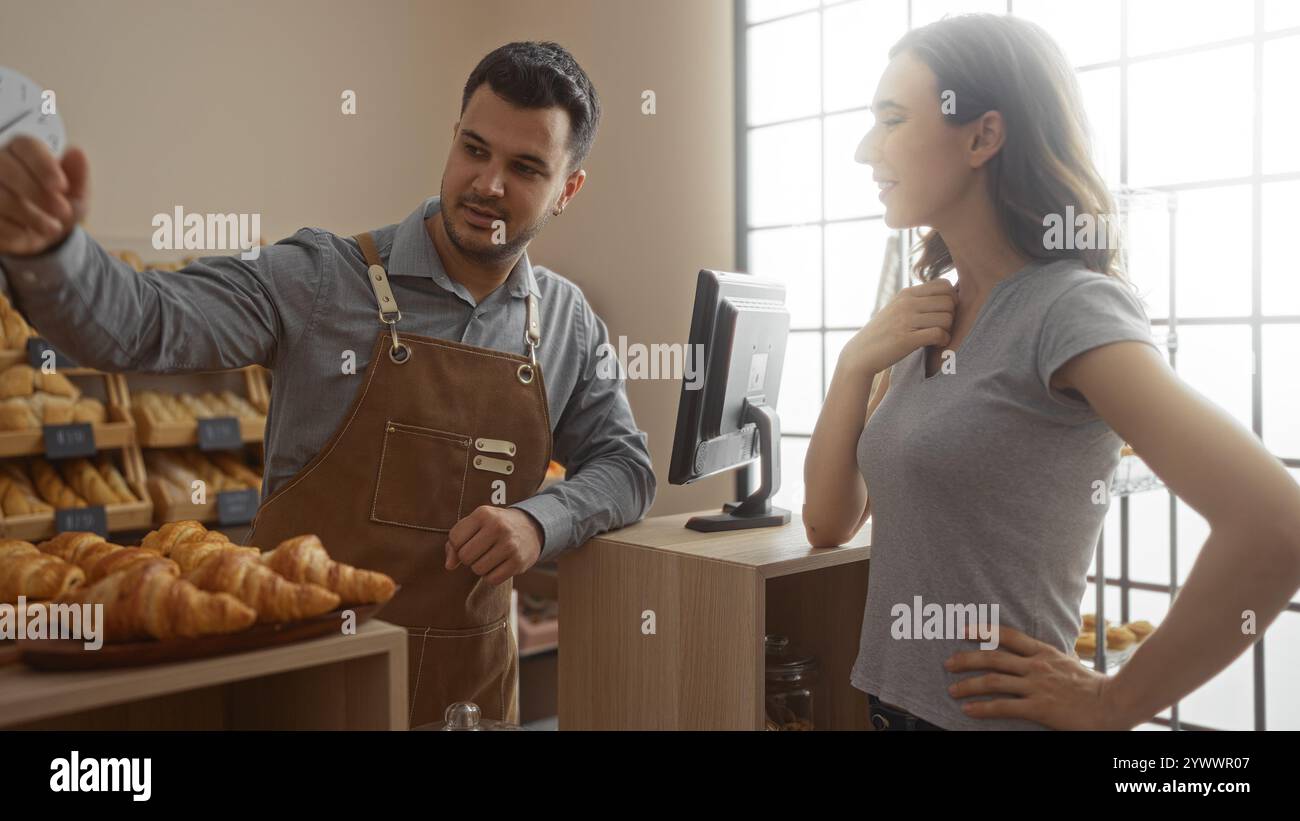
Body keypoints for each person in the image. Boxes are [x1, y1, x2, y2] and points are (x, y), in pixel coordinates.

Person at [0, 40, 656, 728]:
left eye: (525, 167)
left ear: (568, 189)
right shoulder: (321, 278)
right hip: (307, 690)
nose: (488, 183)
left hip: (472, 700)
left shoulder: (566, 321)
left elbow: (626, 466)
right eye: (474, 148)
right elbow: (139, 323)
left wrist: (538, 519)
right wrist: (51, 252)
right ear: (453, 139)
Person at [802, 14, 1300, 730]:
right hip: (891, 709)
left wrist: (1113, 700)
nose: (863, 150)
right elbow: (828, 520)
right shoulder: (927, 313)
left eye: (890, 119)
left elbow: (1275, 525)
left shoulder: (1067, 308)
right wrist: (854, 364)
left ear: (983, 135)